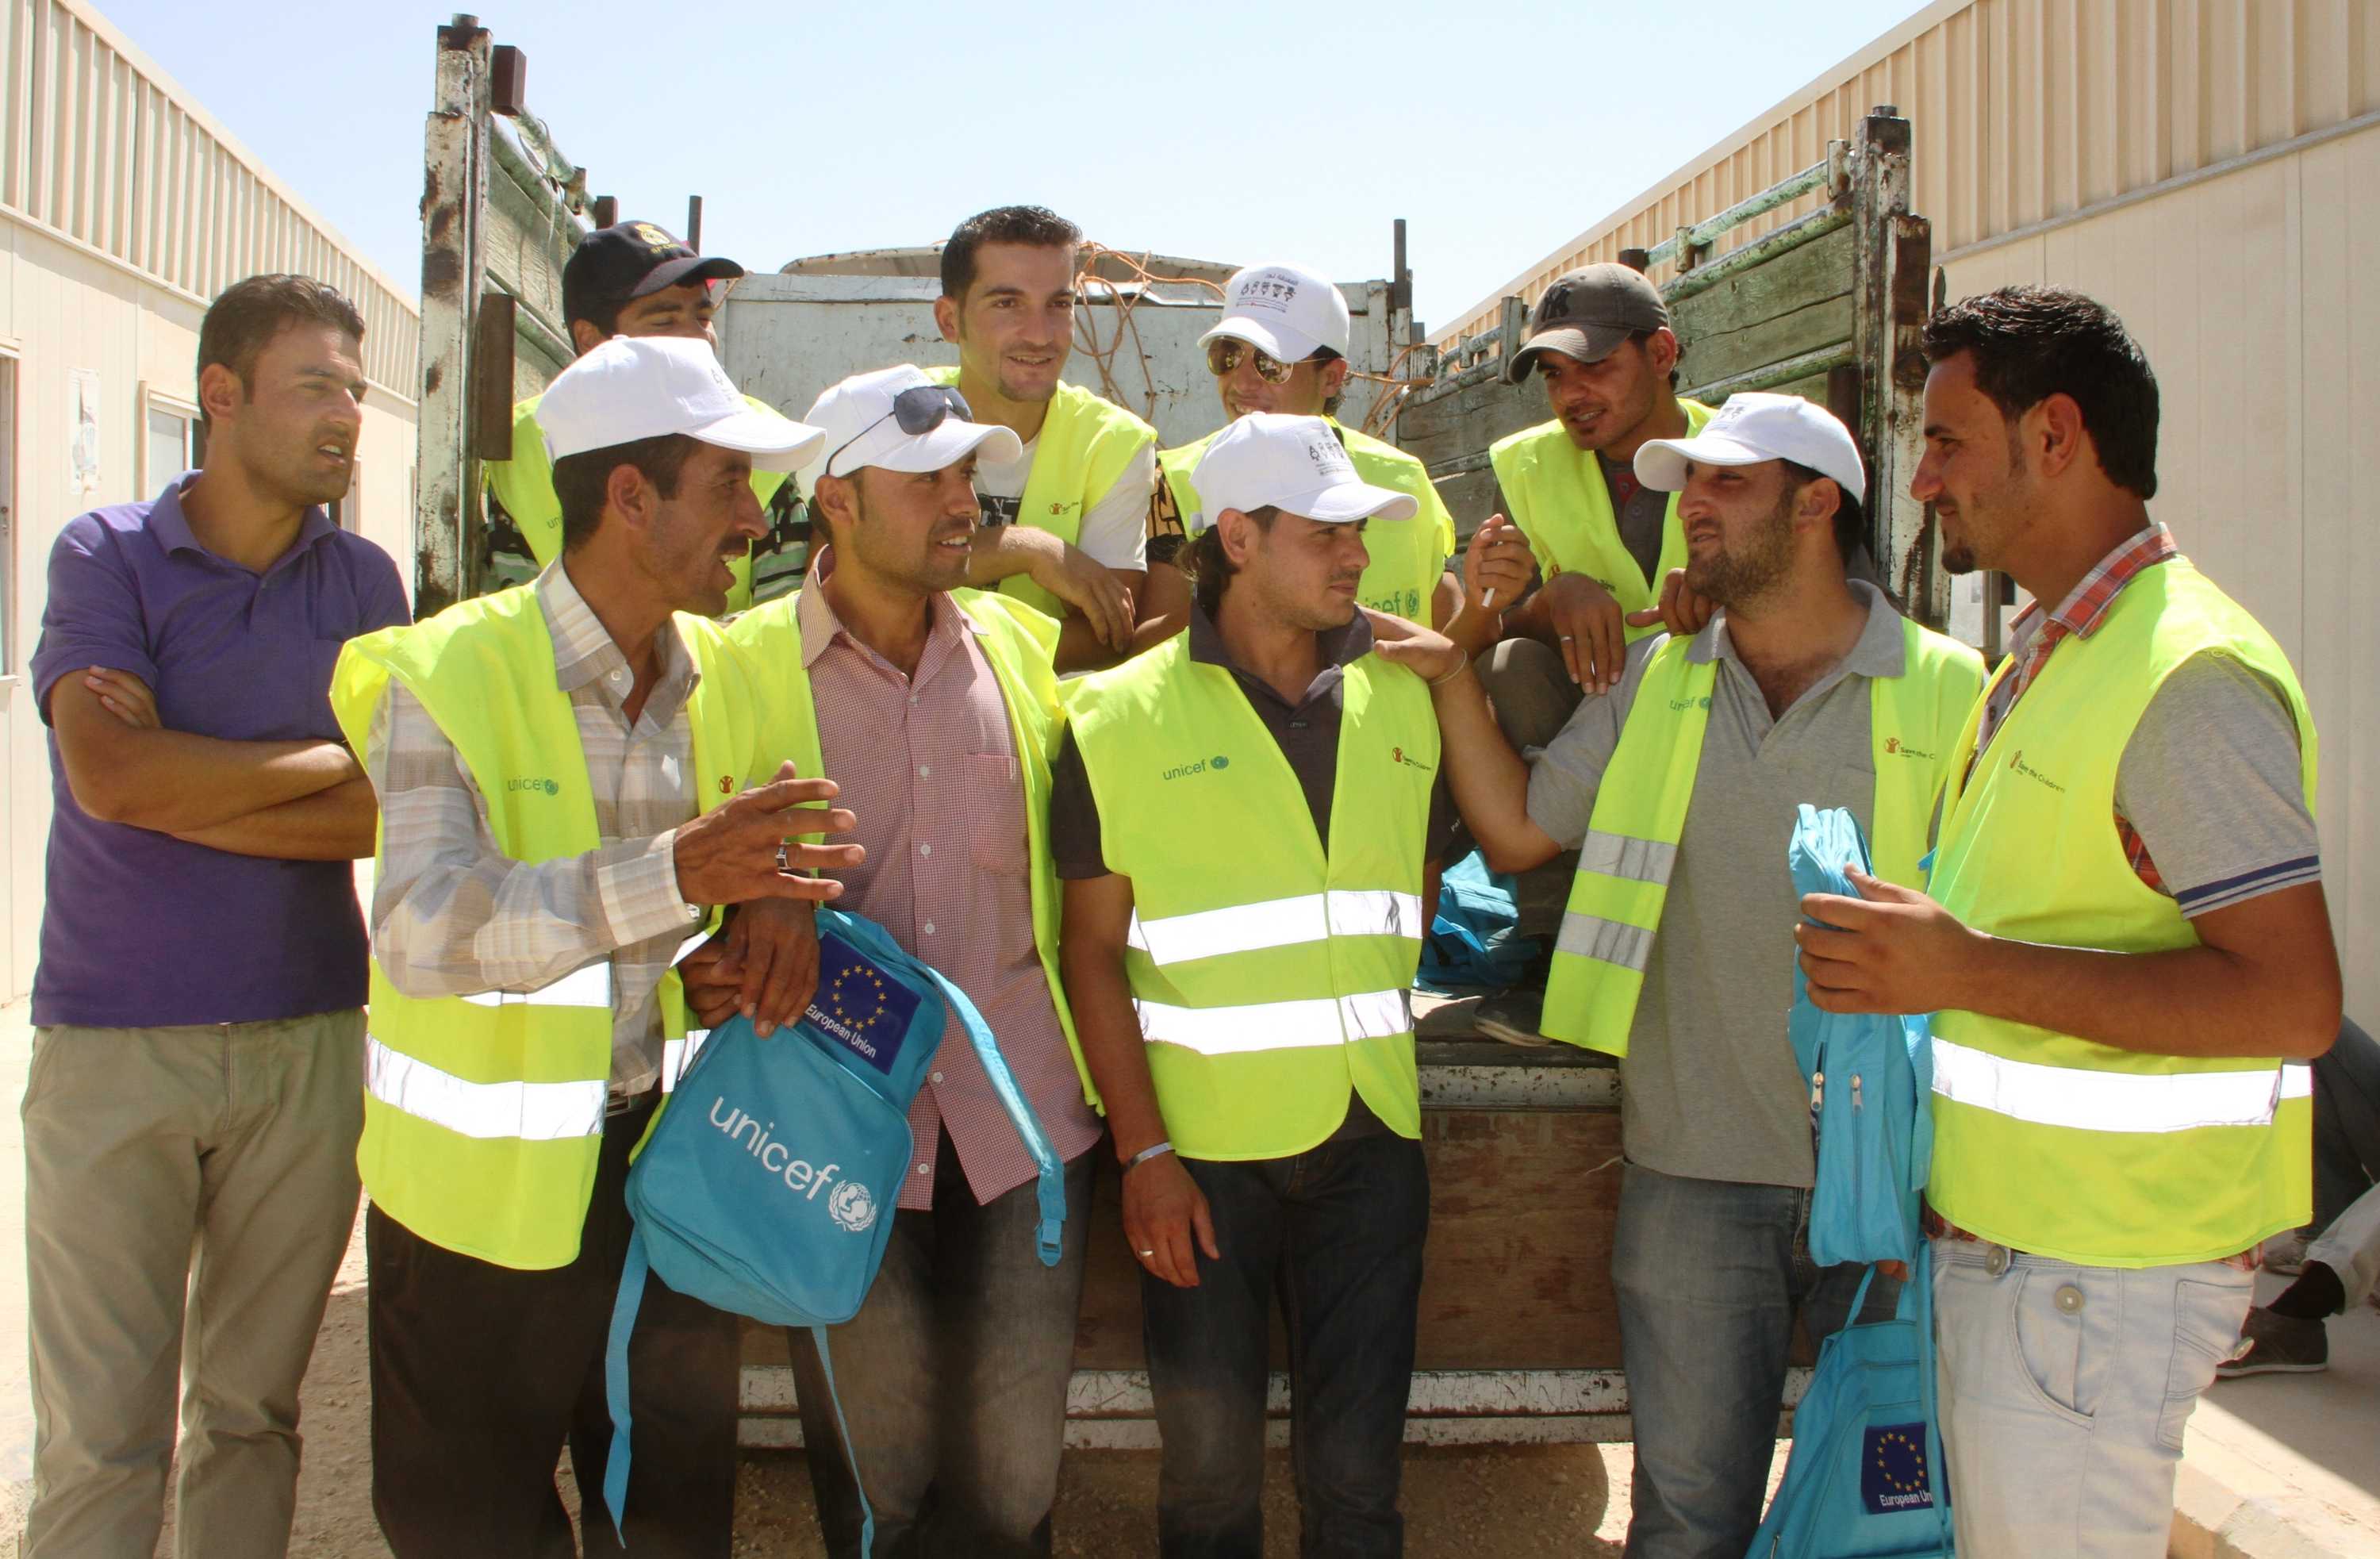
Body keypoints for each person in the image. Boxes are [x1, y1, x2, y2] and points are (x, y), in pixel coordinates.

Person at [1365, 393, 1983, 1558]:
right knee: (1686, 1522)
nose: (1689, 506)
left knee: (1901, 1525)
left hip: (1901, 1182)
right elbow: (1514, 834)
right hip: (1695, 1173)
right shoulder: (1664, 679)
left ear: (1816, 504)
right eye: (1686, 482)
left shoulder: (1957, 692)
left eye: (1725, 484)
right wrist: (1455, 670)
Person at [1795, 286, 2340, 1559]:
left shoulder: (2186, 679)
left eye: (1946, 442)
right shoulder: (2053, 655)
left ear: (2055, 436)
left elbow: (2292, 1001)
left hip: (2102, 1279)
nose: (1921, 483)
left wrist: (1963, 965)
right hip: (2034, 1264)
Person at [337, 335, 864, 1557]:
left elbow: (665, 936)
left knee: (672, 1519)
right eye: (728, 484)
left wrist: (712, 970)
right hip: (472, 1217)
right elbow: (421, 930)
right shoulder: (447, 669)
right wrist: (675, 873)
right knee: (471, 1526)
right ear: (631, 498)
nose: (755, 516)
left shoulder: (722, 673)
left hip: (664, 1188)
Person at [20, 275, 407, 1559]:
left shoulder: (363, 585)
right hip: (114, 1049)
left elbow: (394, 812)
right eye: (316, 386)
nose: (347, 414)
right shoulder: (108, 554)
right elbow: (109, 778)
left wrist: (190, 782)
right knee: (101, 1436)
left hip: (306, 1043)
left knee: (249, 1416)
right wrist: (314, 759)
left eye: (355, 386)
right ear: (221, 396)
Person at [706, 366, 1105, 1556]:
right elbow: (672, 873)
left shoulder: (1027, 658)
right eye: (927, 477)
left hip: (1019, 1131)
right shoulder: (731, 669)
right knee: (879, 1493)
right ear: (834, 496)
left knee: (1014, 1487)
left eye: (969, 478)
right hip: (826, 1139)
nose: (961, 504)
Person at [1054, 413, 1453, 1557]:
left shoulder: (1402, 702)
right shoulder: (1115, 718)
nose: (1357, 556)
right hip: (1202, 1164)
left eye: (1360, 532)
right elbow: (1090, 953)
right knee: (1211, 1493)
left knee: (1359, 1490)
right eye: (1325, 532)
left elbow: (1407, 898)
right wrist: (1143, 1155)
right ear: (1236, 535)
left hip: (1373, 1147)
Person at [1151, 261, 1471, 643]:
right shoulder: (1172, 481)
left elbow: (1452, 632)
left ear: (1332, 376)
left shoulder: (1405, 478)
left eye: (1272, 364)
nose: (1242, 381)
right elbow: (1156, 652)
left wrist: (1486, 608)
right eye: (1228, 356)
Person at [485, 219, 794, 609]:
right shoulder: (521, 447)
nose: (698, 337)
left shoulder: (768, 439)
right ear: (591, 339)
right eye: (664, 320)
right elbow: (513, 618)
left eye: (703, 318)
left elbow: (788, 626)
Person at [1472, 263, 1714, 748]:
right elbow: (1494, 631)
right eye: (1554, 375)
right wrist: (1552, 600)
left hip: (1718, 712)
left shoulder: (1742, 452)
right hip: (1592, 723)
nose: (1570, 395)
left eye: (1596, 365)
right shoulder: (1527, 467)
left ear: (1662, 354)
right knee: (1508, 664)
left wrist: (1736, 601)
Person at [927, 204, 1161, 670]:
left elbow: (1106, 635)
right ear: (950, 321)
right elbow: (846, 580)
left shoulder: (1112, 441)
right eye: (1007, 303)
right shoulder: (897, 412)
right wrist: (1032, 548)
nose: (1039, 335)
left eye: (1059, 305)